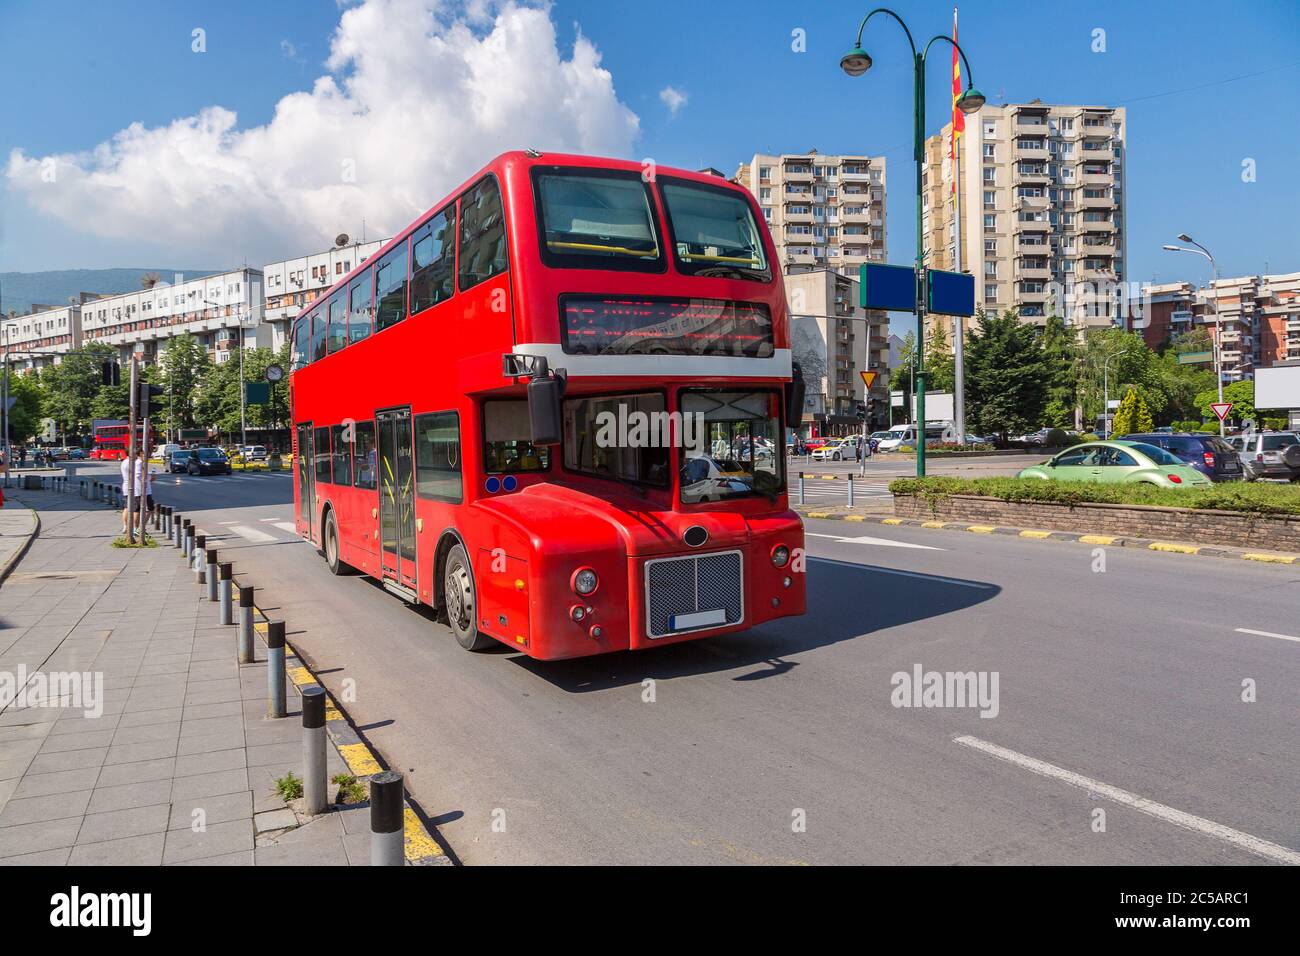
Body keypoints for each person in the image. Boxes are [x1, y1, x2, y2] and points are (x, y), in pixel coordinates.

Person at [120, 449, 155, 535]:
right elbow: (138, 475)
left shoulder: (126, 462)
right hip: (139, 489)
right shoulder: (136, 462)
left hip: (133, 488)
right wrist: (150, 478)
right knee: (138, 509)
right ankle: (137, 528)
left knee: (129, 507)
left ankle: (129, 527)